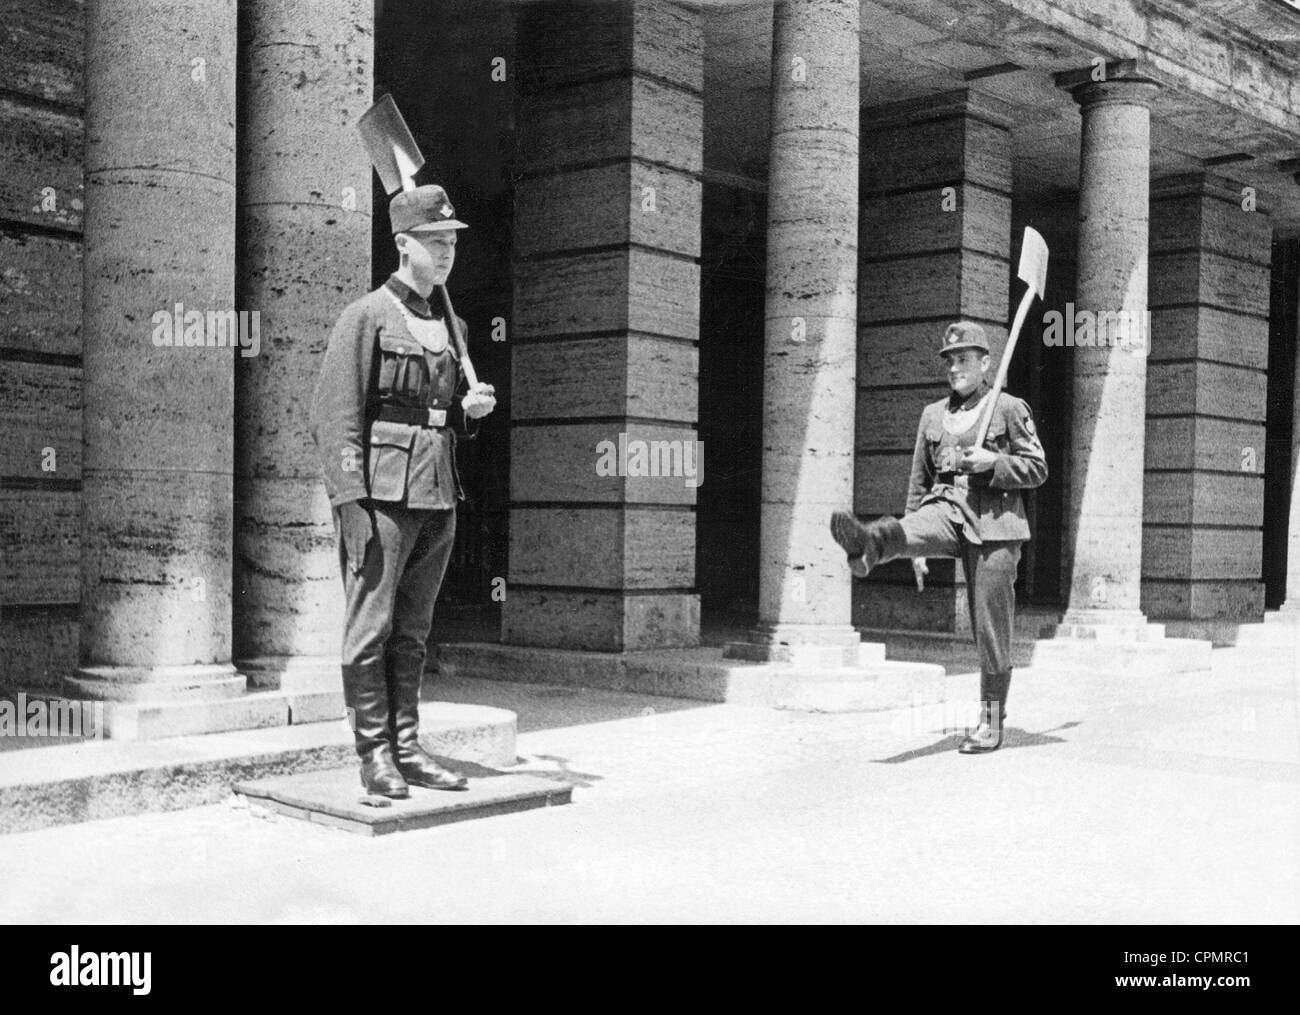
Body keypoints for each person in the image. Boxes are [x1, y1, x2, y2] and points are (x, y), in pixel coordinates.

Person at [310, 183, 496, 797]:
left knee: (414, 629)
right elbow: (334, 414)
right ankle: (375, 755)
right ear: (402, 244)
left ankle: (408, 746)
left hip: (438, 492)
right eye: (434, 241)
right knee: (371, 627)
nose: (445, 254)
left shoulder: (456, 328)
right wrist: (348, 501)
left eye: (452, 243)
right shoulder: (365, 317)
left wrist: (469, 410)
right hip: (381, 498)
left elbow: (439, 416)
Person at [830, 321, 1046, 754]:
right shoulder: (933, 415)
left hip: (995, 524)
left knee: (989, 626)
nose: (955, 367)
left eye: (964, 359)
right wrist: (911, 544)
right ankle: (873, 544)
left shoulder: (1008, 408)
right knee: (906, 527)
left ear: (986, 364)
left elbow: (1037, 467)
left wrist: (992, 462)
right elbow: (919, 480)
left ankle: (991, 720)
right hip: (945, 509)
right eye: (950, 360)